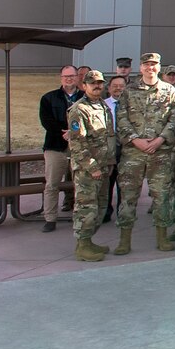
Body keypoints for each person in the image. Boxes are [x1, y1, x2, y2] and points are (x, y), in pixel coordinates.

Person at [116, 52, 175, 254]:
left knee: (161, 197)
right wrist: (135, 140)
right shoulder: (129, 91)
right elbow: (121, 118)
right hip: (133, 153)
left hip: (160, 152)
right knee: (128, 197)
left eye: (154, 64)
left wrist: (160, 139)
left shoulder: (169, 91)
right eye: (146, 64)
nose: (150, 68)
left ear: (159, 67)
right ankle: (124, 240)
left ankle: (162, 237)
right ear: (141, 67)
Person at [66, 70, 116, 262]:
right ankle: (82, 246)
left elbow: (108, 137)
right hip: (88, 170)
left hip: (104, 167)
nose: (97, 86)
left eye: (100, 83)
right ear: (83, 86)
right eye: (92, 83)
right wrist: (92, 166)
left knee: (101, 206)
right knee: (86, 207)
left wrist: (109, 162)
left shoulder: (102, 105)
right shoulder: (79, 110)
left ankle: (89, 241)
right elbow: (77, 143)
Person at [39, 65, 82, 232]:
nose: (69, 79)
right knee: (52, 184)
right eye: (66, 76)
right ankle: (50, 218)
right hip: (55, 146)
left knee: (80, 183)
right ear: (60, 78)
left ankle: (80, 216)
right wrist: (64, 132)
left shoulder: (85, 97)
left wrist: (74, 132)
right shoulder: (48, 98)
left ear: (78, 77)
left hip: (79, 146)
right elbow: (46, 121)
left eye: (72, 76)